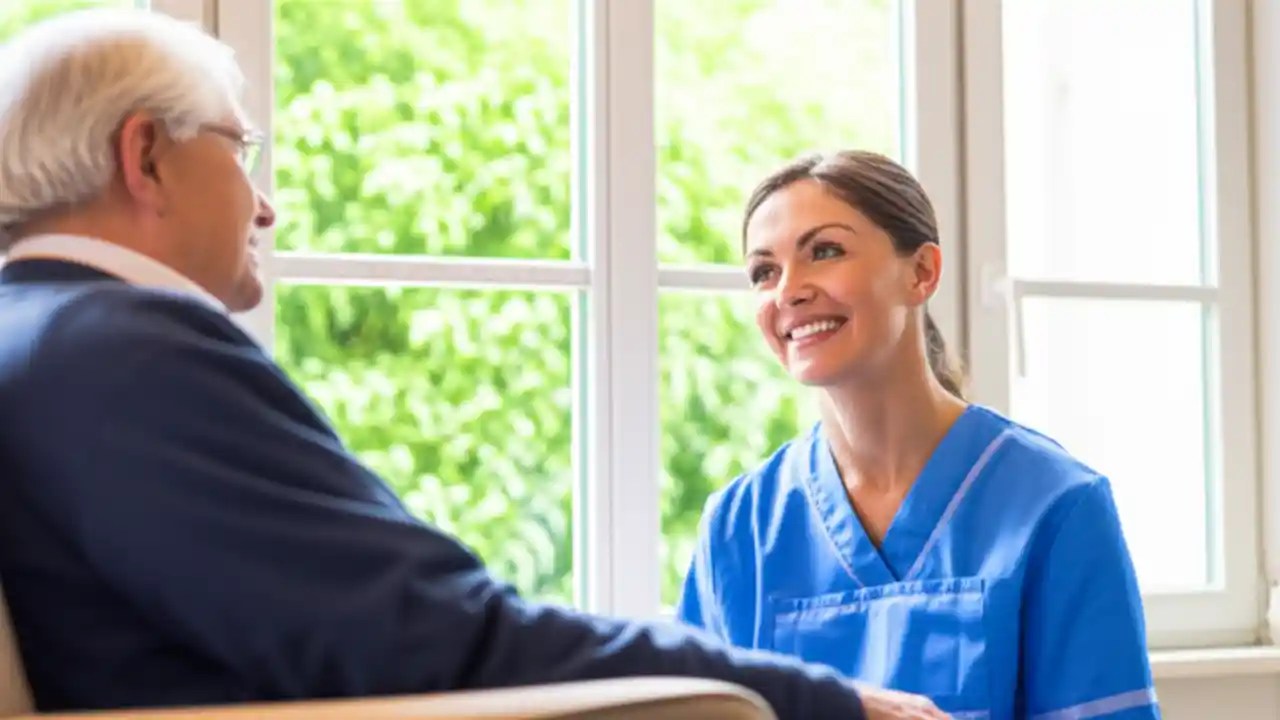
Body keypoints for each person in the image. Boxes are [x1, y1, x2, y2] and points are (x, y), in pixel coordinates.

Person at [0, 8, 954, 720]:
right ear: (147, 158)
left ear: (924, 276)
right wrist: (829, 703)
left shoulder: (43, 343)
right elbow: (438, 637)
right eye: (242, 149)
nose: (266, 206)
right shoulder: (134, 357)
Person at [676, 150, 1160, 720]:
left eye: (824, 251)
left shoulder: (1057, 506)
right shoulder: (740, 529)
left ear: (922, 272)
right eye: (764, 272)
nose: (789, 291)